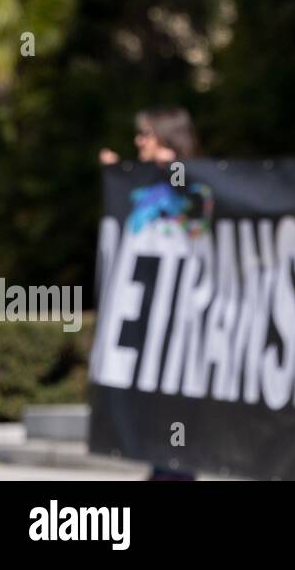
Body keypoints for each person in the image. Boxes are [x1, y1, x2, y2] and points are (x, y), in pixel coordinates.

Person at [99, 106, 200, 481]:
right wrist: (120, 175)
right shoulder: (144, 184)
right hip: (150, 319)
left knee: (175, 413)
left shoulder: (192, 181)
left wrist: (159, 169)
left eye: (145, 134)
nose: (138, 141)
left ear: (165, 137)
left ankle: (172, 473)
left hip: (182, 322)